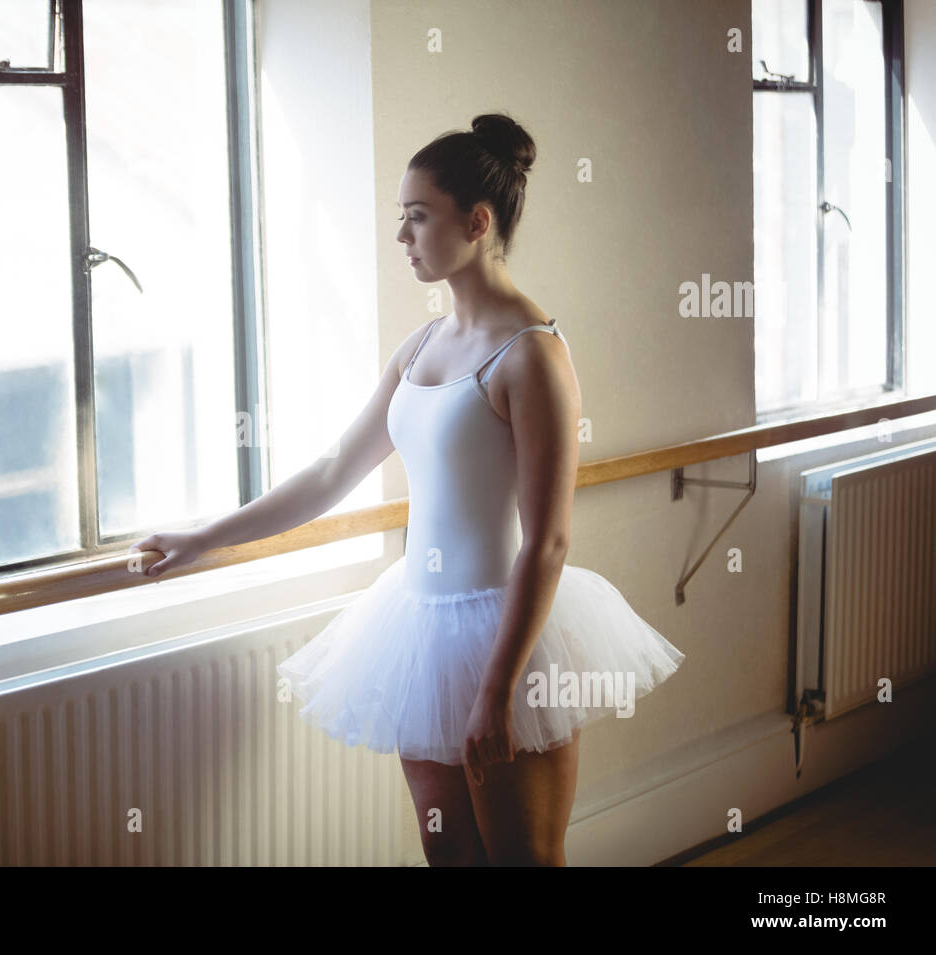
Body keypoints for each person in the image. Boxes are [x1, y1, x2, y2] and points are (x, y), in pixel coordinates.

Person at [128, 112, 685, 867]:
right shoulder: (420, 347)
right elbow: (330, 474)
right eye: (402, 219)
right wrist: (200, 539)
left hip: (507, 645)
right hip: (420, 634)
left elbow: (549, 541)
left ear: (478, 222)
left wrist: (497, 688)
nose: (403, 238)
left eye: (417, 218)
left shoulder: (534, 356)